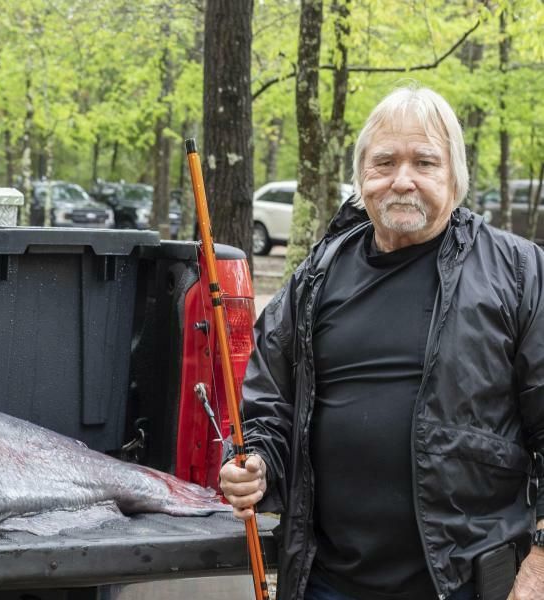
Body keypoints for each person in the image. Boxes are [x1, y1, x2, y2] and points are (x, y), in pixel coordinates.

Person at [219, 85, 544, 600]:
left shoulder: (520, 272)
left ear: (455, 176)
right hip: (327, 582)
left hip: (466, 584)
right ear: (362, 177)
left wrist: (540, 564)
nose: (402, 180)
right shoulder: (316, 277)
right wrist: (256, 462)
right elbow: (269, 405)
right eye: (385, 162)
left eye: (424, 162)